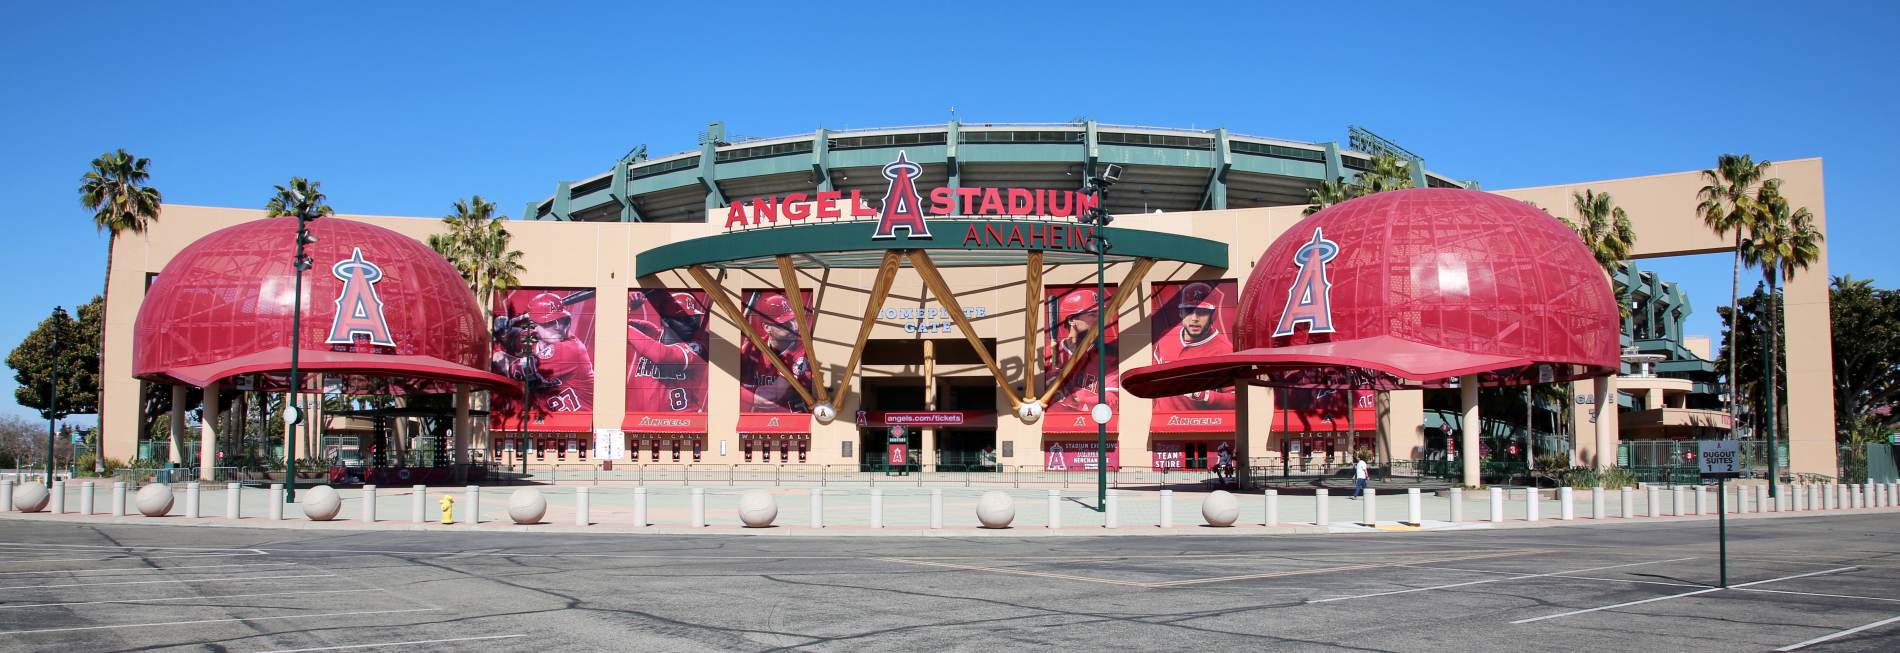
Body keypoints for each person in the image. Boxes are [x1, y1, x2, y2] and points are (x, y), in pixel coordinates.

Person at [492, 291, 595, 414]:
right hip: (551, 420)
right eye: (536, 324)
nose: (535, 329)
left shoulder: (570, 350)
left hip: (581, 420)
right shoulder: (540, 338)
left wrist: (495, 352)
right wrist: (504, 331)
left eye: (538, 324)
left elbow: (516, 370)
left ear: (560, 323)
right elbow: (514, 336)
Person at [1153, 283, 1235, 412]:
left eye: (1202, 312)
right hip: (1161, 423)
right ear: (1181, 313)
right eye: (1189, 311)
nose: (1195, 318)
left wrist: (1207, 396)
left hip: (1199, 423)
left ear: (1212, 316)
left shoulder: (1225, 350)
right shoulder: (1166, 337)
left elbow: (1237, 399)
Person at [627, 291, 709, 413]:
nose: (692, 323)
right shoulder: (651, 333)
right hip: (649, 423)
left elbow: (662, 355)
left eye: (695, 318)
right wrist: (627, 306)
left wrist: (625, 330)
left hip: (686, 422)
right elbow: (612, 324)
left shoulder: (698, 347)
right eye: (685, 318)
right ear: (666, 321)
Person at [1046, 289, 1119, 412]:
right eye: (1092, 315)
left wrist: (1074, 400)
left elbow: (1112, 400)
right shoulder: (1048, 355)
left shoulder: (1107, 358)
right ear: (1071, 320)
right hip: (1052, 425)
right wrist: (1047, 383)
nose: (1099, 321)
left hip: (1091, 426)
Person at [740, 293, 812, 413]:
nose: (794, 326)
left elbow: (769, 397)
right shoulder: (753, 347)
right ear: (767, 327)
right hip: (758, 423)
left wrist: (735, 389)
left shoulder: (803, 353)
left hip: (793, 421)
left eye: (793, 319)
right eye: (784, 323)